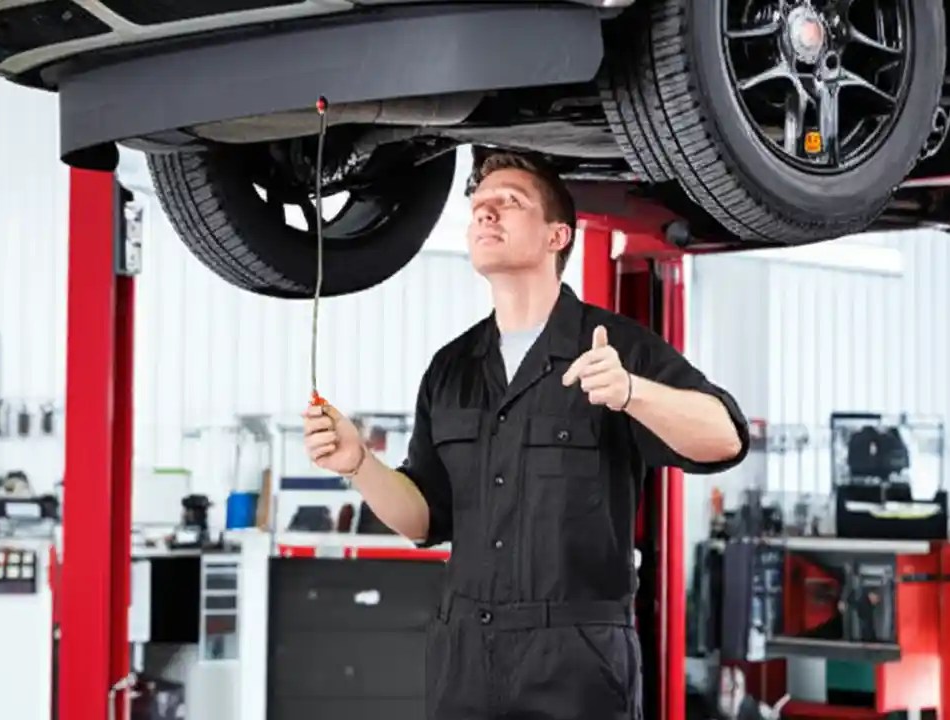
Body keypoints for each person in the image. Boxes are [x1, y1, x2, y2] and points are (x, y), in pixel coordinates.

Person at [302, 151, 750, 720]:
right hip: (464, 655)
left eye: (508, 203)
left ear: (557, 235)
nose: (485, 214)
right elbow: (426, 519)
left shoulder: (614, 346)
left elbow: (725, 438)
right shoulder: (451, 367)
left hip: (577, 661)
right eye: (478, 206)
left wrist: (634, 392)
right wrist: (359, 462)